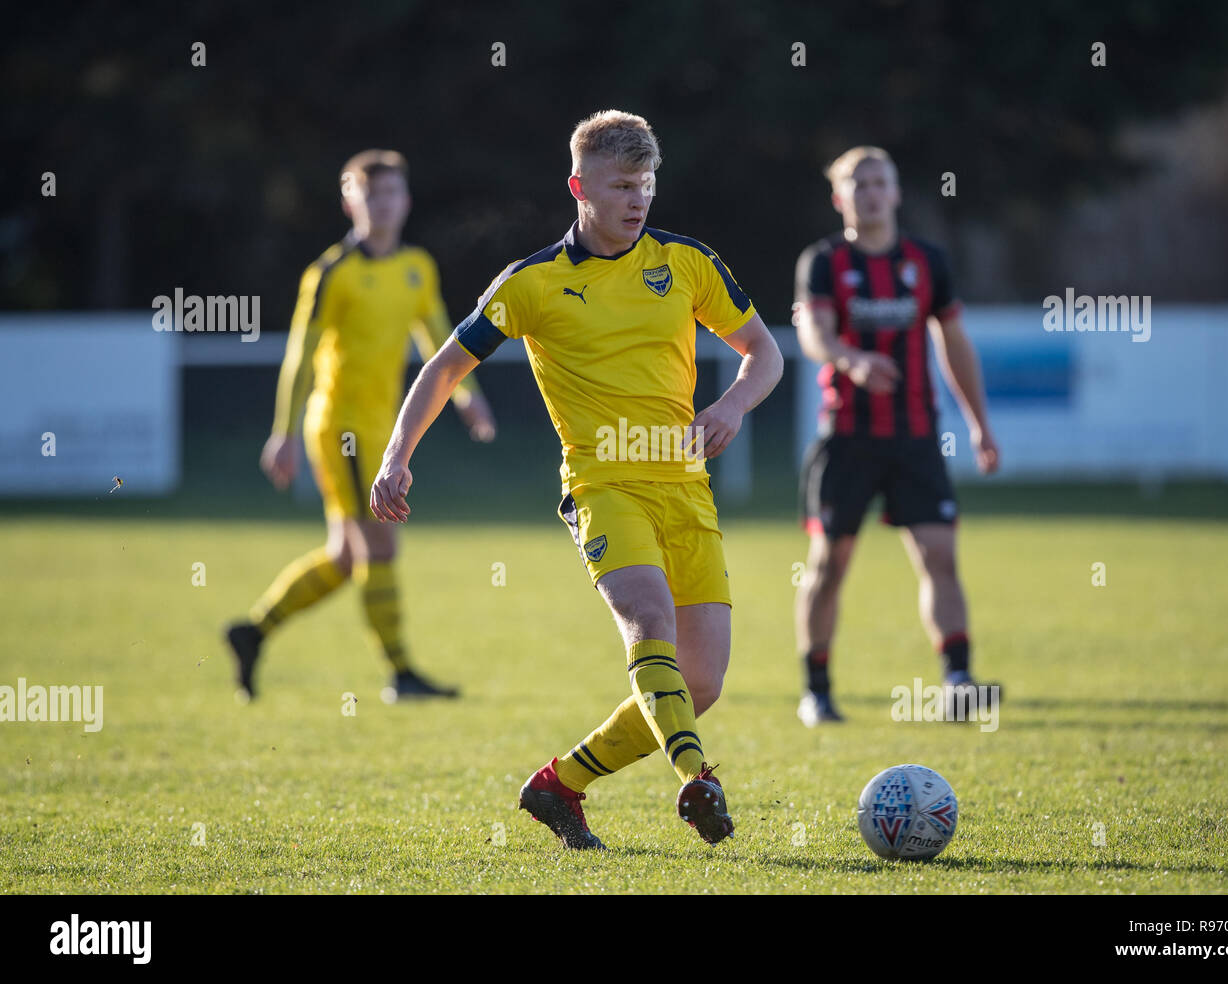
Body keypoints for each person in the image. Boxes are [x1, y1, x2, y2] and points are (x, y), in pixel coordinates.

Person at [370, 111, 783, 848]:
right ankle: (697, 777)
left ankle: (560, 786)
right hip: (602, 485)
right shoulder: (532, 284)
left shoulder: (686, 261)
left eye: (647, 184)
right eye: (623, 185)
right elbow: (445, 366)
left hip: (686, 487)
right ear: (579, 187)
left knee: (702, 684)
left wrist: (731, 405)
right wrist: (398, 455)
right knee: (648, 623)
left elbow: (764, 351)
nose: (639, 199)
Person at [225, 150, 496, 702]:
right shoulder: (331, 273)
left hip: (386, 428)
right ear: (350, 202)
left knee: (346, 557)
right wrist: (283, 431)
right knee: (379, 543)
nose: (383, 204)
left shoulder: (418, 266)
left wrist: (469, 395)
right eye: (371, 195)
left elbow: (440, 337)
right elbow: (300, 355)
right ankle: (401, 674)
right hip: (341, 428)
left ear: (407, 201)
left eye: (392, 193)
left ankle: (252, 632)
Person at [792, 146, 1000, 727]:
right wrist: (850, 360)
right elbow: (813, 333)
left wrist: (980, 426)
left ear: (897, 192)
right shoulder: (824, 261)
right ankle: (818, 690)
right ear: (839, 198)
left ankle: (958, 680)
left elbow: (954, 343)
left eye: (880, 182)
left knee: (940, 555)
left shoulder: (927, 260)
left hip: (915, 437)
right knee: (829, 565)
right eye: (857, 184)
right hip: (847, 439)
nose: (870, 192)